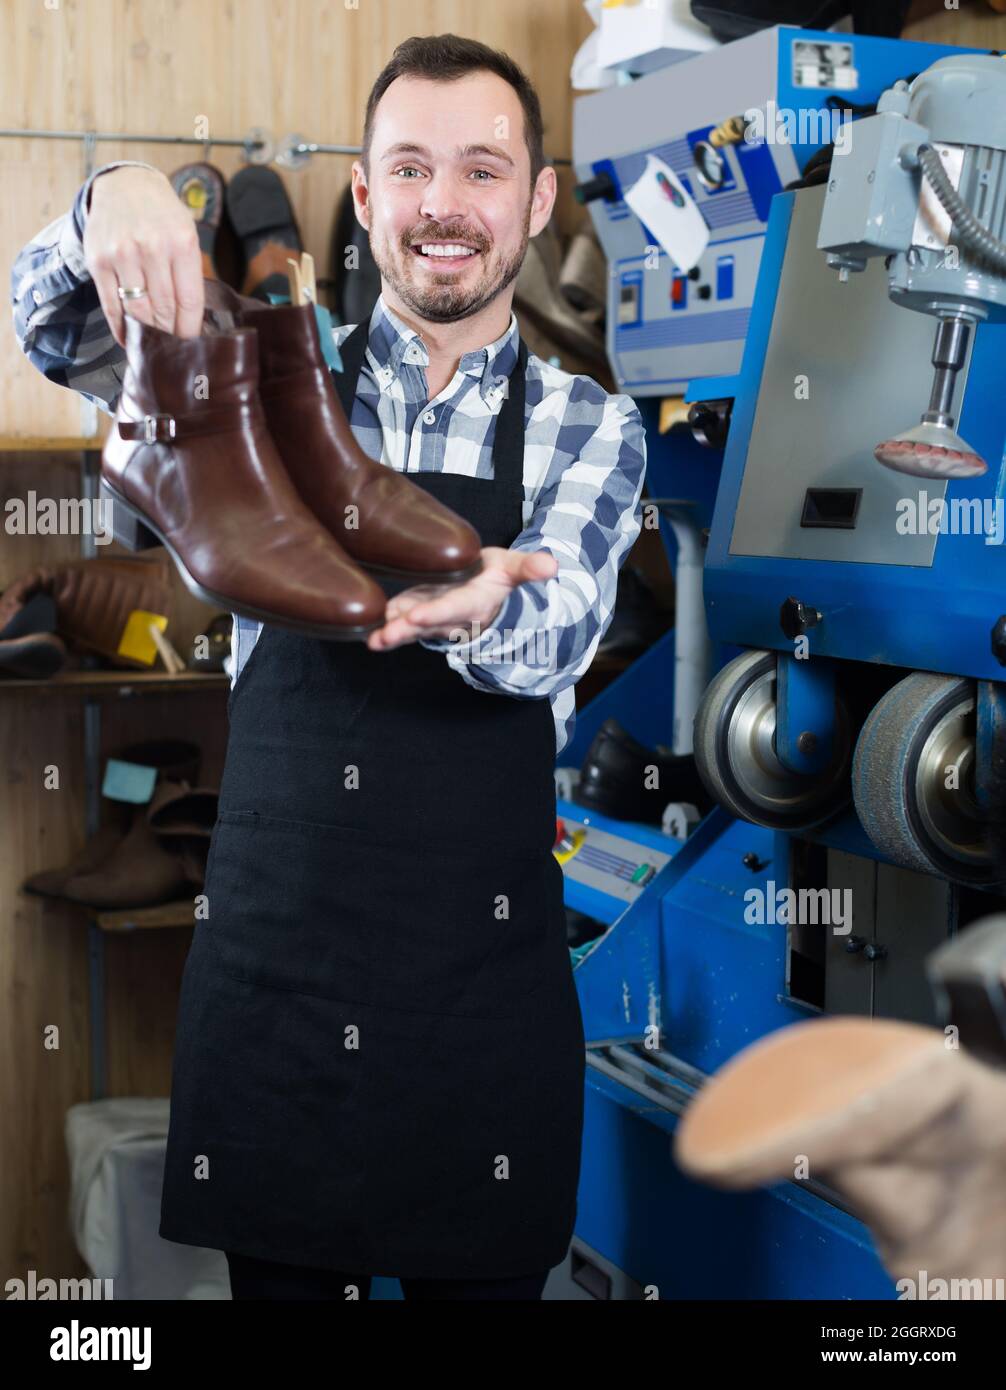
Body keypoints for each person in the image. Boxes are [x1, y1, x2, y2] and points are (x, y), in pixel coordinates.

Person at [12, 32, 646, 1301]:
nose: (443, 206)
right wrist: (106, 208)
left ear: (534, 200)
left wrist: (464, 604)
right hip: (283, 988)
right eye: (409, 169)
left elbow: (557, 628)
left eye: (481, 170)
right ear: (363, 198)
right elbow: (53, 331)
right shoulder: (259, 374)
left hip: (480, 1000)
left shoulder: (591, 423)